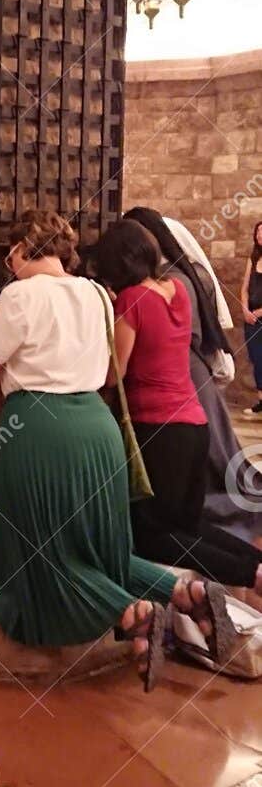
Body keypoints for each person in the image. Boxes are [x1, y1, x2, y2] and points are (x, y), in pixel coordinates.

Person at [0, 210, 241, 686]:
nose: (7, 261)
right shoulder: (95, 293)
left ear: (24, 249)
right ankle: (185, 591)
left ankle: (133, 614)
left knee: (36, 557)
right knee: (100, 548)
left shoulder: (20, 294)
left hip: (38, 431)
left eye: (10, 251)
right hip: (97, 429)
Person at [95, 218, 262, 595]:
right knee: (187, 526)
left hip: (159, 430)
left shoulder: (130, 300)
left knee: (151, 535)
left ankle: (251, 577)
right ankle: (256, 565)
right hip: (194, 425)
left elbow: (114, 373)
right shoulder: (178, 290)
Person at [124, 206, 260, 542]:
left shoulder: (176, 277)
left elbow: (191, 333)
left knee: (213, 455)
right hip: (187, 371)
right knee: (213, 449)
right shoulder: (171, 274)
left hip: (185, 372)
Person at [240, 220, 262, 417]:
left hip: (260, 315)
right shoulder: (253, 259)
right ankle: (261, 400)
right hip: (252, 320)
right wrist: (245, 310)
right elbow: (245, 288)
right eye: (259, 233)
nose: (261, 236)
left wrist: (260, 312)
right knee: (257, 358)